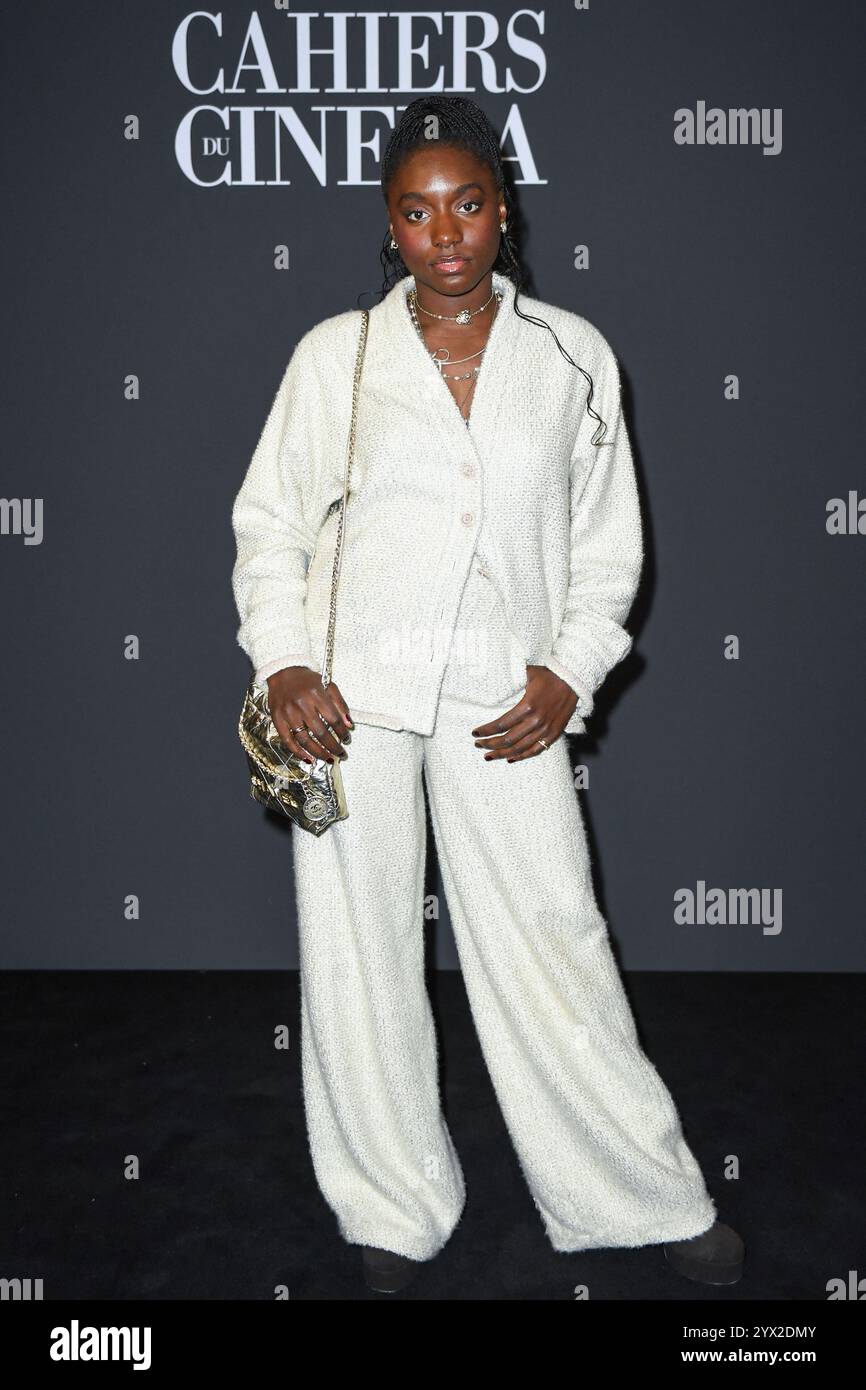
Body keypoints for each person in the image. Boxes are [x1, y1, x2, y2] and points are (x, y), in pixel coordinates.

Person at [231, 95, 745, 1295]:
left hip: (506, 703)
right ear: (390, 226)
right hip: (349, 703)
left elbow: (607, 546)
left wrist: (571, 667)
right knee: (358, 960)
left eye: (466, 203)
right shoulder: (336, 355)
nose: (444, 232)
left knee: (553, 941)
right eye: (415, 212)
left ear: (501, 207)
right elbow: (270, 527)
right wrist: (286, 661)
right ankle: (390, 1201)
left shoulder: (571, 355)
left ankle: (638, 1191)